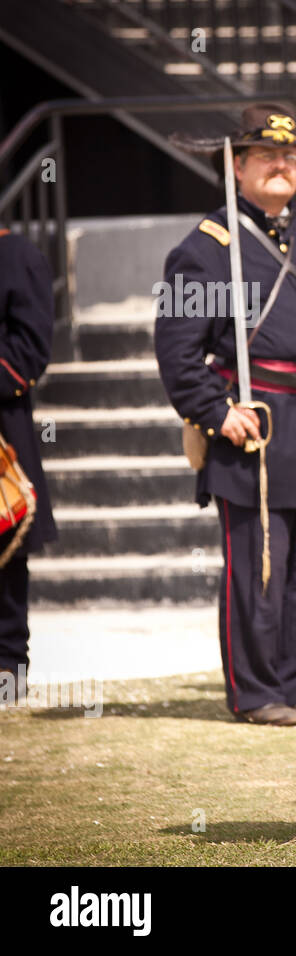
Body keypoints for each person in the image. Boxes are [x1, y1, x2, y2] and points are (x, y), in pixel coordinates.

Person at [156, 105, 296, 725]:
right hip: (257, 423)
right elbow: (176, 347)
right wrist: (214, 411)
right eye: (268, 157)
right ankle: (257, 691)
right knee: (258, 568)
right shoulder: (207, 248)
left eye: (293, 158)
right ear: (236, 166)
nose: (283, 167)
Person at [0, 231, 57, 693]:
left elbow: (30, 351)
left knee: (5, 544)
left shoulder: (17, 255)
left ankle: (7, 665)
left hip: (3, 427)